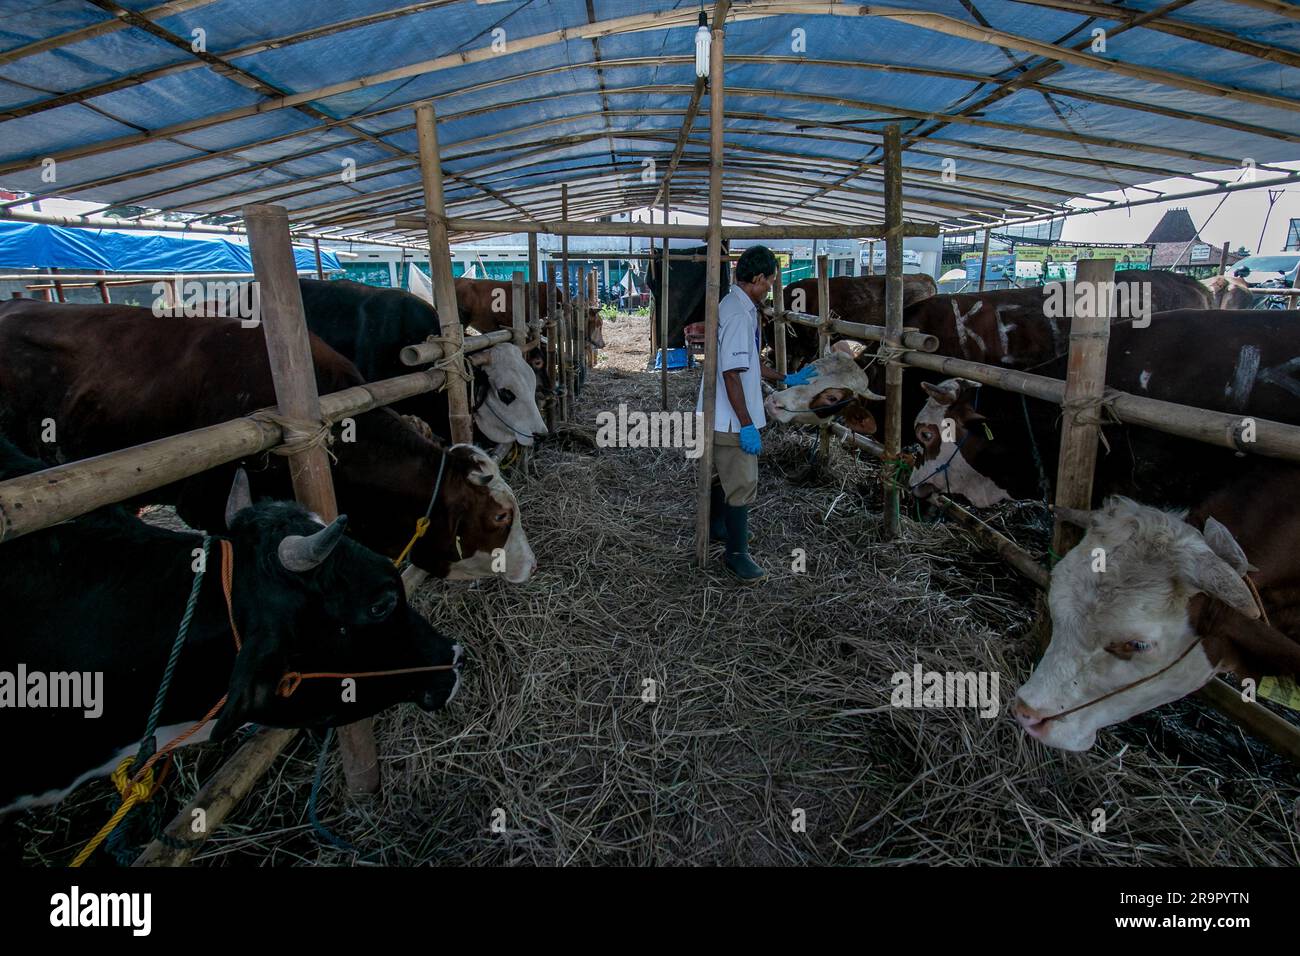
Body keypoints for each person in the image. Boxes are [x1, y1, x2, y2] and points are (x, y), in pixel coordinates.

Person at [698, 245, 818, 584]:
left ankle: (719, 527)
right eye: (770, 282)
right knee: (742, 480)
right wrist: (747, 424)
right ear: (757, 277)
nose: (770, 288)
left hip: (725, 413)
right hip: (730, 417)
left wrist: (785, 377)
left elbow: (748, 362)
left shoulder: (739, 305)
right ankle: (736, 554)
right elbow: (731, 373)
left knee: (722, 477)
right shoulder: (737, 313)